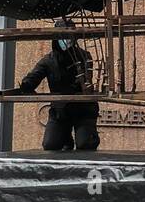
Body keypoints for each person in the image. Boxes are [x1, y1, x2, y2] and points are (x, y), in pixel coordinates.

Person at [7, 18, 100, 151]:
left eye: (69, 37)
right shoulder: (49, 61)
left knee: (86, 144)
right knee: (51, 144)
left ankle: (82, 136)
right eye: (62, 37)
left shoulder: (84, 56)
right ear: (55, 38)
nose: (66, 41)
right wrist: (26, 86)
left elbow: (86, 81)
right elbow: (33, 78)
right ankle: (65, 139)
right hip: (60, 111)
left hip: (83, 109)